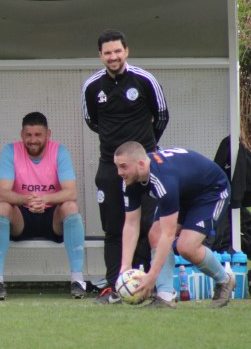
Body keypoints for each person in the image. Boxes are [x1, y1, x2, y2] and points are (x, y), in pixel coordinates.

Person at [82, 29, 169, 304]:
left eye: (117, 51)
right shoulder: (92, 86)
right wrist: (118, 153)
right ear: (100, 55)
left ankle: (145, 283)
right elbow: (92, 121)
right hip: (110, 166)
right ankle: (113, 288)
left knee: (148, 226)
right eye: (107, 52)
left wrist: (143, 151)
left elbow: (162, 116)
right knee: (113, 227)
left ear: (126, 51)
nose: (113, 57)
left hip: (145, 167)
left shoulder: (145, 79)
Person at [114, 142, 235, 308]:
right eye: (117, 167)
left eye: (123, 167)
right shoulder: (129, 181)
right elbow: (130, 224)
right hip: (183, 193)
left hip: (212, 191)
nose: (119, 172)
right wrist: (125, 267)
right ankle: (165, 297)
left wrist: (152, 276)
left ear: (141, 164)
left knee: (186, 246)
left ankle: (225, 280)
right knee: (154, 235)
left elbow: (168, 234)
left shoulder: (163, 179)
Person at [0, 112, 87, 301]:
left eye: (38, 135)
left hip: (51, 217)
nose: (33, 140)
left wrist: (45, 199)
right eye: (28, 135)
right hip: (22, 218)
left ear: (48, 134)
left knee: (70, 207)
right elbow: (3, 193)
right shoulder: (11, 151)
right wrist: (27, 200)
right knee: (1, 208)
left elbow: (71, 192)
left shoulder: (60, 151)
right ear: (21, 134)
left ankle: (77, 280)